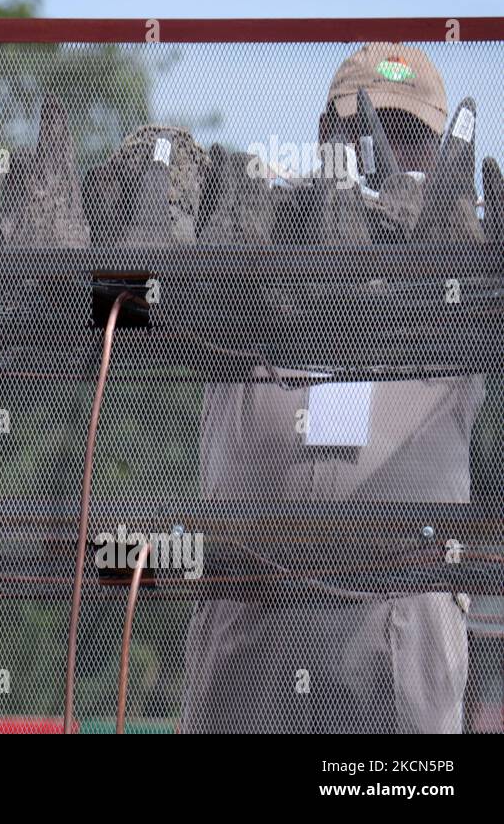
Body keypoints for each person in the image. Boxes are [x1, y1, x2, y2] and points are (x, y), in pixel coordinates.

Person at [182, 43, 484, 733]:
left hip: (398, 620)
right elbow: (122, 309)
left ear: (441, 158)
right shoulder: (256, 229)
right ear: (325, 136)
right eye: (368, 130)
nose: (389, 155)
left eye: (412, 139)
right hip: (253, 609)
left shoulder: (465, 261)